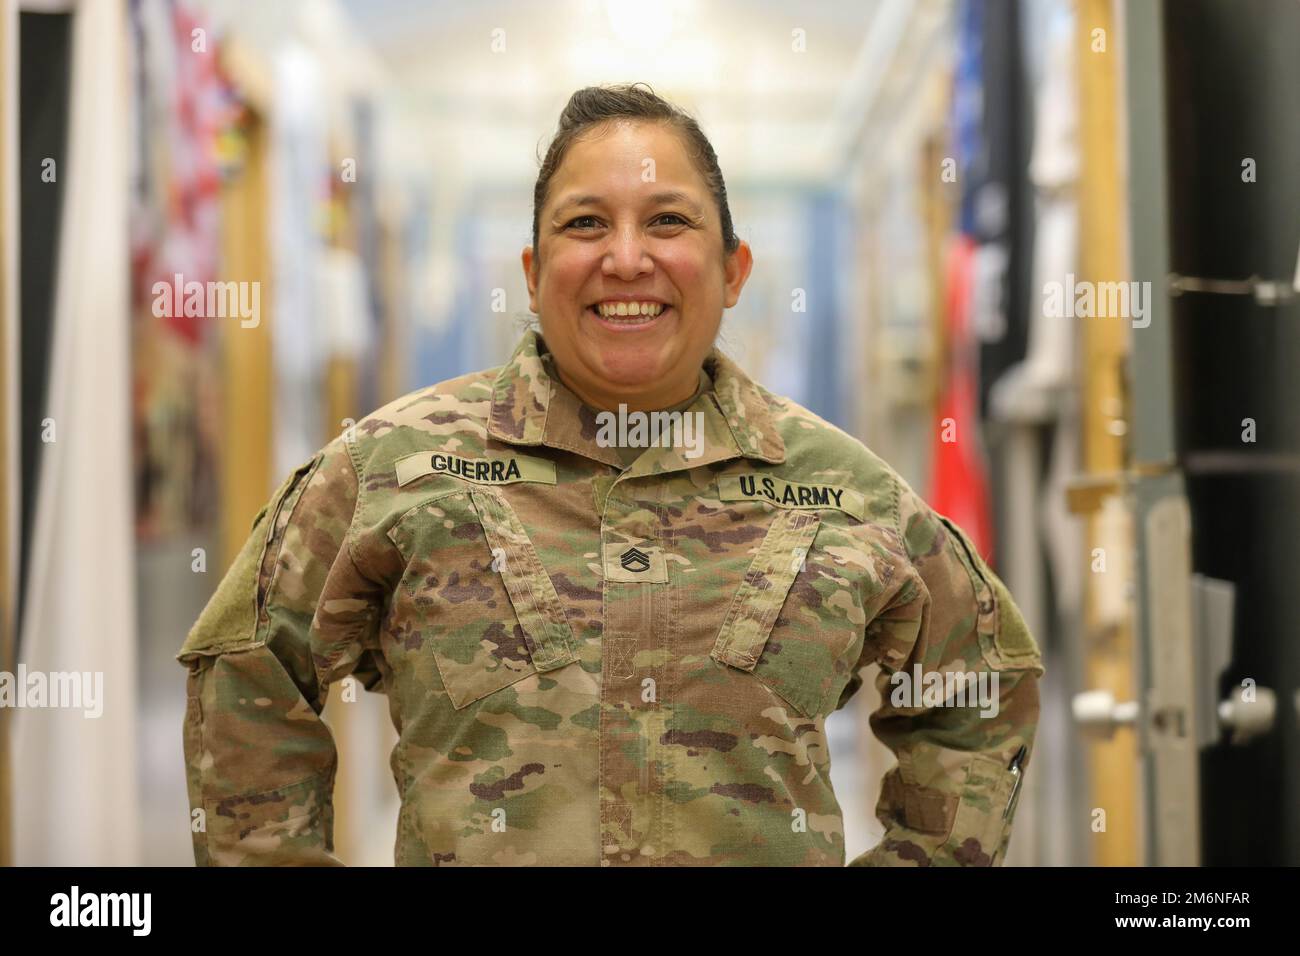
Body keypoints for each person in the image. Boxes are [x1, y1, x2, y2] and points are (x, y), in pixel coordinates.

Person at [178, 82, 1043, 867]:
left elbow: (982, 682)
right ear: (532, 271)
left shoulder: (844, 493)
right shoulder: (389, 469)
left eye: (668, 221)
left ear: (734, 270)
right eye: (586, 224)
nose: (626, 260)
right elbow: (247, 666)